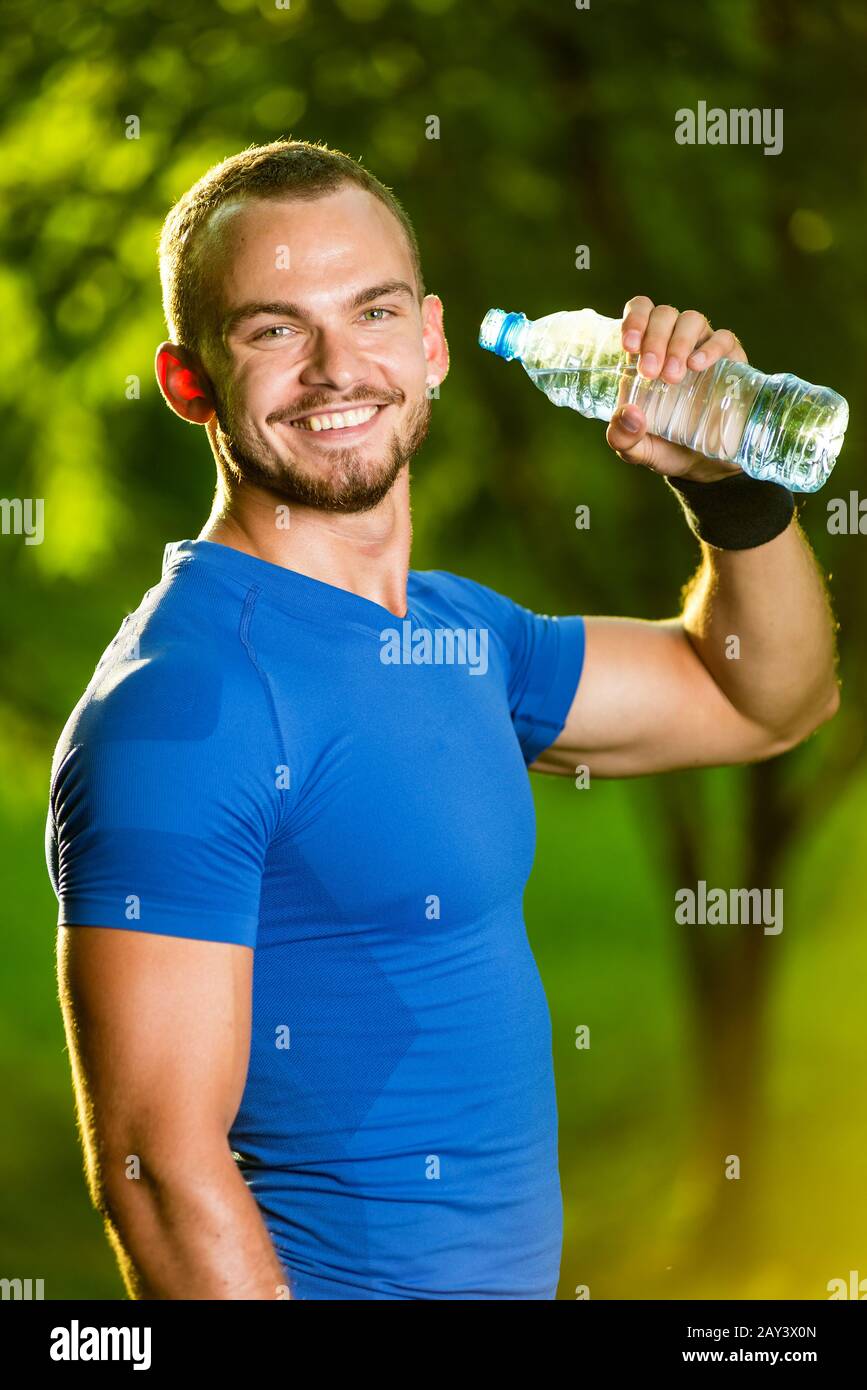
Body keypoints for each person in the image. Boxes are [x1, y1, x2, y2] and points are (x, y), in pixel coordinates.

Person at [46, 138, 839, 1301]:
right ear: (189, 383)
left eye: (370, 313)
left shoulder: (456, 635)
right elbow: (155, 1172)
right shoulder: (183, 703)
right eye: (274, 329)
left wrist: (730, 483)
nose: (334, 369)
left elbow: (767, 698)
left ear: (430, 343)